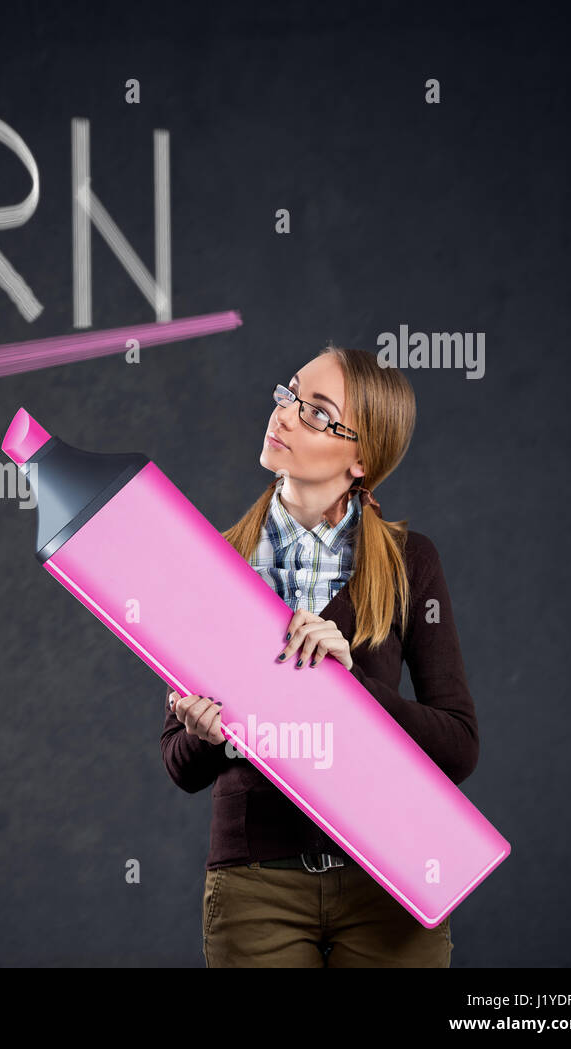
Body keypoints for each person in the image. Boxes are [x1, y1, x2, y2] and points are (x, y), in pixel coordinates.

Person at [161, 345, 478, 967]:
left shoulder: (412, 562)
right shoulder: (213, 562)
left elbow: (460, 747)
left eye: (316, 411)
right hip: (256, 888)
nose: (283, 414)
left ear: (362, 458)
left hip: (395, 880)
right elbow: (179, 762)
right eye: (289, 395)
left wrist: (352, 685)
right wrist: (207, 731)